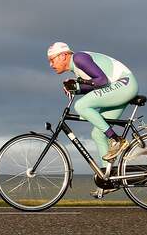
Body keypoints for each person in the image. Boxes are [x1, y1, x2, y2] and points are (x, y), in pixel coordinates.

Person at [46, 42, 139, 171]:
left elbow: (102, 81)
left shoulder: (79, 58)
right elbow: (95, 85)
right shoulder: (76, 68)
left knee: (81, 105)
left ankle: (116, 139)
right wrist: (77, 88)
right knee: (98, 134)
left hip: (124, 84)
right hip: (119, 87)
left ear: (63, 56)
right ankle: (107, 178)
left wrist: (79, 82)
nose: (51, 65)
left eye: (52, 60)